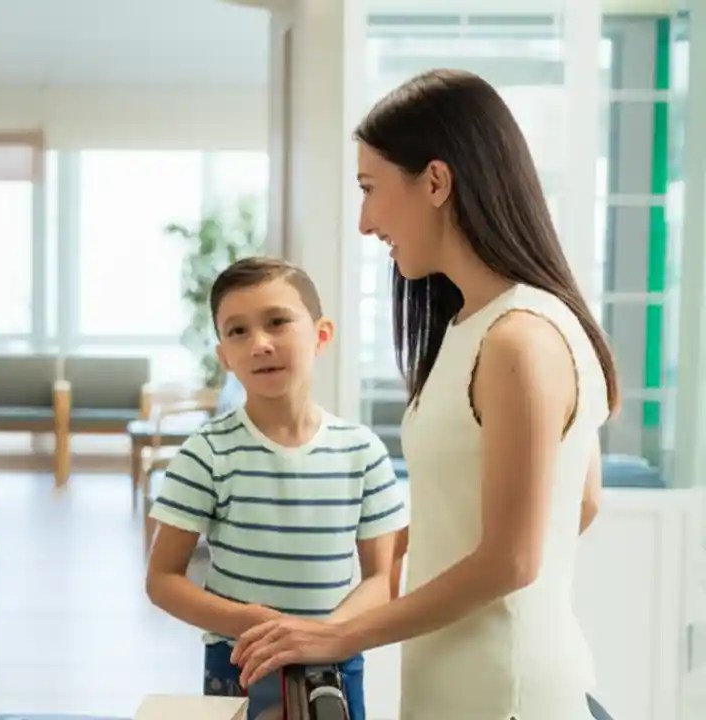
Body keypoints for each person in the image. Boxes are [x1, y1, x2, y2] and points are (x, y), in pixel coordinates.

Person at [231, 69, 618, 720]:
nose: (364, 222)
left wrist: (339, 636)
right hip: (462, 687)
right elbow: (577, 501)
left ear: (435, 182)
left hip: (505, 697)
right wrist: (419, 551)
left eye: (369, 189)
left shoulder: (519, 338)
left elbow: (513, 558)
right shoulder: (481, 325)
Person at [145, 257, 409, 720]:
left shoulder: (363, 451)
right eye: (238, 331)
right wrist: (248, 621)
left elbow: (381, 581)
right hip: (240, 661)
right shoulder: (206, 452)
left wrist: (322, 636)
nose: (260, 343)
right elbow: (162, 580)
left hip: (335, 659)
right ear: (225, 356)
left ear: (321, 335)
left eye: (277, 322)